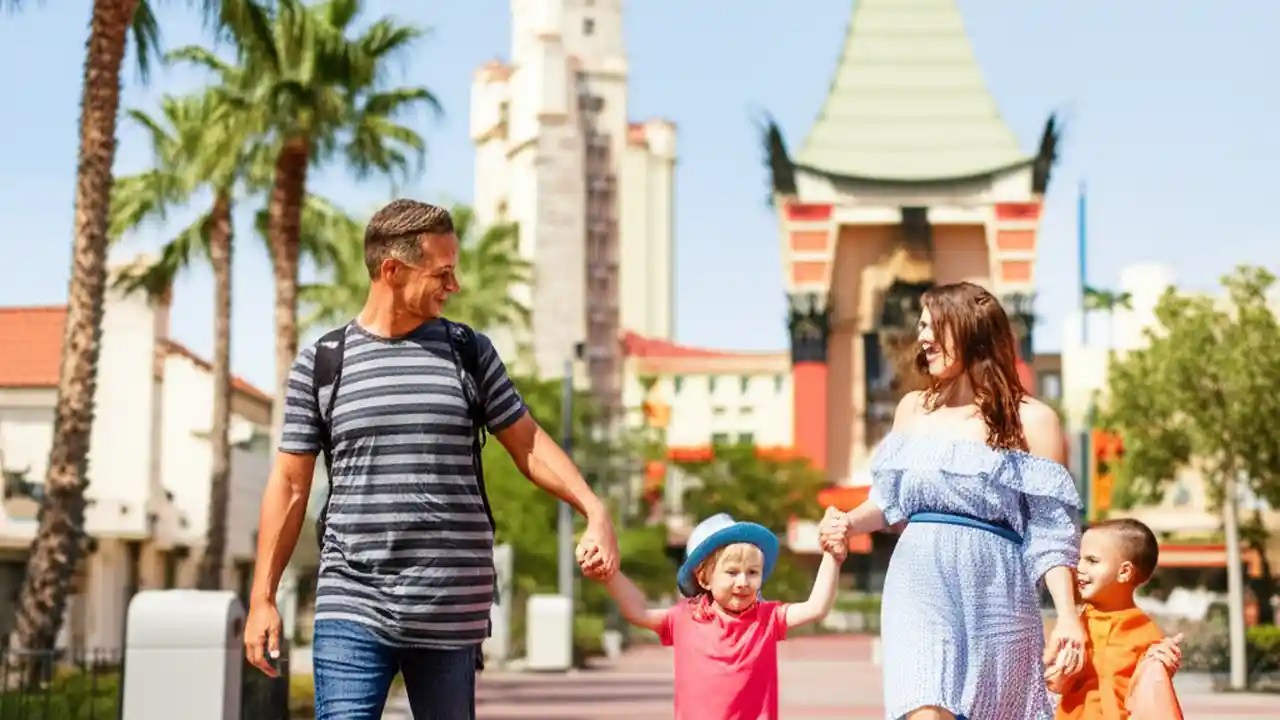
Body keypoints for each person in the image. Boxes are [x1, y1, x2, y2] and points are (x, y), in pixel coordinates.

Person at [242, 199, 620, 719]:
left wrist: (593, 510)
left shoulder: (468, 351)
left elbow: (527, 442)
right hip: (353, 598)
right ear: (392, 271)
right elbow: (288, 486)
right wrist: (263, 596)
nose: (455, 285)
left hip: (451, 609)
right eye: (442, 272)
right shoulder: (324, 363)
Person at [819, 281, 1086, 720]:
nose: (922, 337)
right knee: (924, 703)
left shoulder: (1033, 420)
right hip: (918, 577)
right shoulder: (911, 409)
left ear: (972, 331)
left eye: (933, 325)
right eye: (921, 326)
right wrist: (848, 522)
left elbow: (1050, 532)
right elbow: (887, 501)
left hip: (997, 587)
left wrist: (1068, 617)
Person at [599, 512, 844, 720]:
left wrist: (832, 556)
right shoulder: (685, 618)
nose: (743, 582)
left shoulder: (767, 618)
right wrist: (609, 575)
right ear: (704, 578)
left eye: (752, 572)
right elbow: (638, 612)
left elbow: (815, 607)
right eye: (732, 572)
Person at [1046, 518, 1184, 719]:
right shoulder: (1074, 625)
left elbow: (1150, 692)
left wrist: (1162, 664)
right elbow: (1054, 684)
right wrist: (1060, 672)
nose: (1080, 568)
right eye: (1079, 559)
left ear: (1124, 572)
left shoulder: (1145, 633)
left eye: (1092, 561)